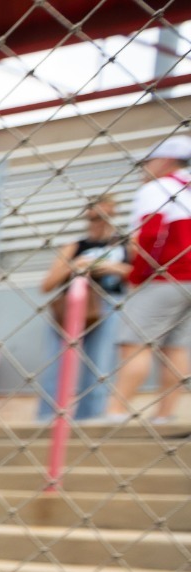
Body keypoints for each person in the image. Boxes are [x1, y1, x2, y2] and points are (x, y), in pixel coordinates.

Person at [111, 135, 191, 422]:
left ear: (165, 160)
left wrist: (135, 275)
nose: (143, 169)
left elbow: (150, 234)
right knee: (176, 346)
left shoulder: (158, 188)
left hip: (165, 277)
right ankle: (164, 415)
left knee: (135, 343)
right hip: (188, 280)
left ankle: (116, 412)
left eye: (147, 162)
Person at [36, 195, 129, 424]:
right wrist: (74, 266)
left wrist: (110, 267)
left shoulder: (126, 243)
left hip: (110, 305)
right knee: (57, 362)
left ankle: (91, 416)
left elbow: (137, 273)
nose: (99, 221)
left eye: (104, 215)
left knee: (99, 364)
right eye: (94, 216)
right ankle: (48, 416)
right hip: (73, 305)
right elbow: (47, 284)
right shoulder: (76, 246)